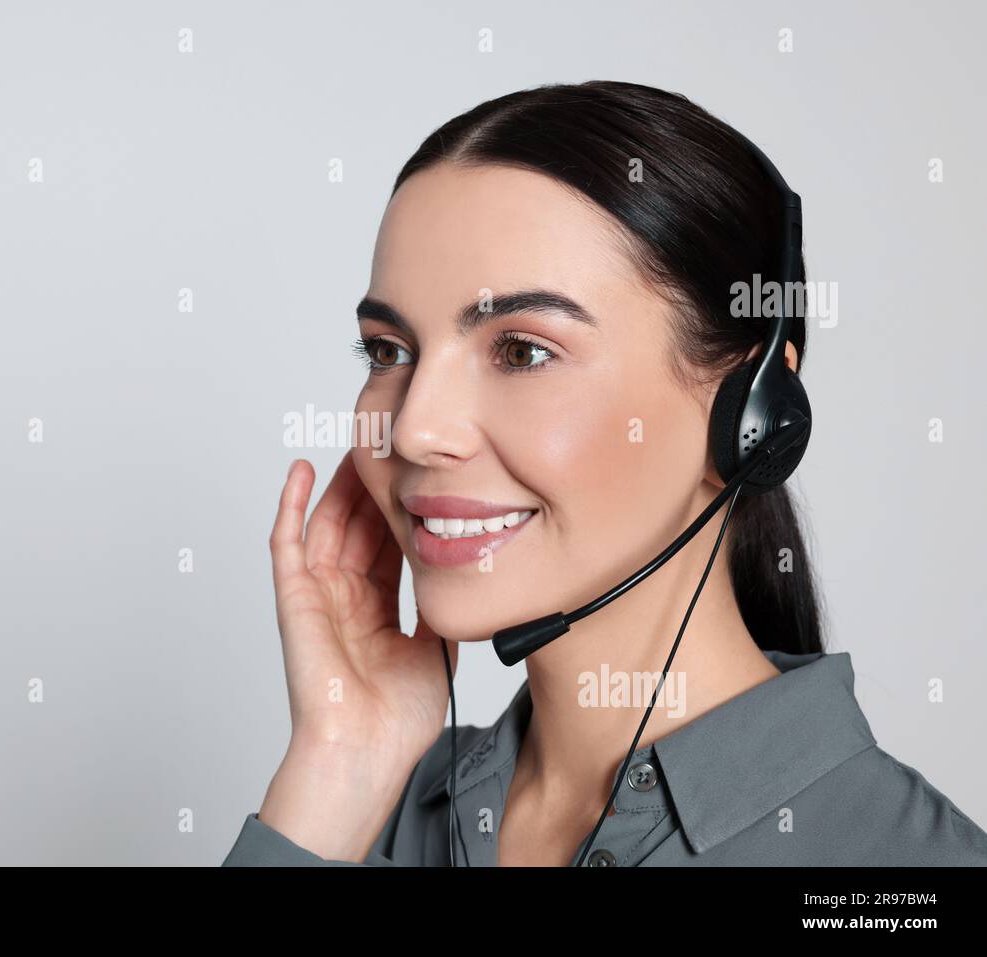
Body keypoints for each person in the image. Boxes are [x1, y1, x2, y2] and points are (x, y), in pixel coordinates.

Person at [222, 81, 987, 866]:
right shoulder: (364, 817)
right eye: (389, 351)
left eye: (522, 351)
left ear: (752, 414)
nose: (414, 428)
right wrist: (341, 762)